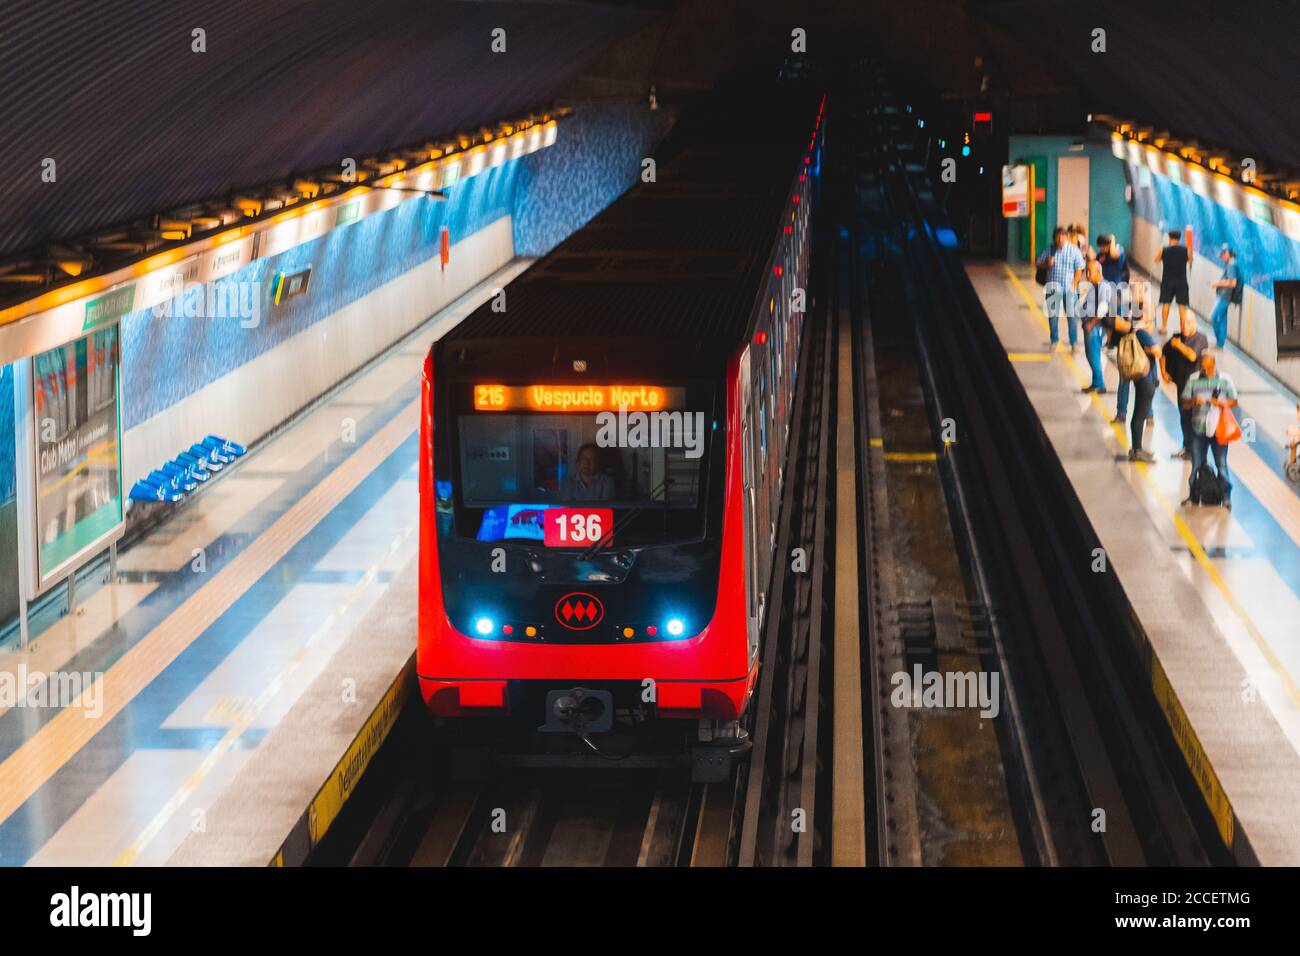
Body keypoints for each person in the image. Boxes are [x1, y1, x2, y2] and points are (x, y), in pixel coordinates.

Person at [1180, 351, 1238, 508]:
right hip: (1198, 428)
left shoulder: (1224, 380)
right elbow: (1184, 403)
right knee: (1197, 464)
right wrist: (1193, 401)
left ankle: (1226, 497)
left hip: (1218, 428)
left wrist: (1221, 403)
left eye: (1207, 368)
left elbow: (1234, 401)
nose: (1203, 371)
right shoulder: (1193, 379)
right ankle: (1193, 496)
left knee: (1221, 464)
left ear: (1214, 365)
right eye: (1202, 367)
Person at [1159, 313, 1208, 458]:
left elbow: (1192, 356)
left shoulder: (1201, 338)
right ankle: (1187, 448)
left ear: (1194, 324)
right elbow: (1163, 352)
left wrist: (1179, 345)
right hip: (1182, 386)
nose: (1184, 326)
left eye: (1187, 323)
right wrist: (1163, 372)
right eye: (1182, 323)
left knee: (1196, 418)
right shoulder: (1176, 337)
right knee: (1184, 417)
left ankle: (1197, 450)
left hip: (1197, 388)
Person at [1037, 227, 1084, 350]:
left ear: (1067, 237)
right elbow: (1038, 263)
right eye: (1058, 237)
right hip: (1052, 288)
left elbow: (1079, 269)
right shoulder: (1049, 250)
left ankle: (1073, 342)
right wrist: (1047, 263)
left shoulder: (1074, 251)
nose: (1060, 239)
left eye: (1063, 236)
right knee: (1053, 316)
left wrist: (1073, 286)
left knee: (1072, 316)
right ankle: (1054, 340)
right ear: (1054, 238)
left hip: (1069, 289)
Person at [1125, 314, 1162, 463]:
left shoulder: (1135, 333)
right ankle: (1137, 451)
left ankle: (1136, 448)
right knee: (1140, 415)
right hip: (1146, 381)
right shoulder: (1142, 333)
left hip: (1141, 379)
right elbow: (1157, 351)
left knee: (1138, 414)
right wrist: (1154, 348)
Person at [1080, 247, 1108, 392]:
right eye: (1087, 271)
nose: (1087, 274)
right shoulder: (1095, 287)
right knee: (1090, 355)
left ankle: (1100, 384)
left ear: (1098, 272)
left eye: (1090, 271)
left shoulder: (1103, 287)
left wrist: (1091, 324)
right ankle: (1096, 382)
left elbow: (1102, 309)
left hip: (1095, 328)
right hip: (1090, 327)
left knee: (1094, 355)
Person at [1155, 229, 1192, 336]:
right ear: (1179, 239)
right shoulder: (1186, 250)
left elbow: (1156, 260)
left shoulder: (1164, 250)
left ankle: (1164, 327)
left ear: (1169, 238)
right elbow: (1190, 262)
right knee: (1182, 306)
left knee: (1166, 304)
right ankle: (1183, 329)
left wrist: (1160, 251)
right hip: (1181, 281)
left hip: (1167, 281)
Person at [1208, 245, 1240, 348]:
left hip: (1224, 296)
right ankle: (1220, 344)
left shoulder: (1231, 265)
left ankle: (1219, 342)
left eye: (1222, 255)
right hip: (1226, 296)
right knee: (1222, 319)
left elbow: (1233, 283)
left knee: (1214, 317)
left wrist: (1217, 283)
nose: (1222, 258)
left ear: (1226, 253)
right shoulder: (1233, 264)